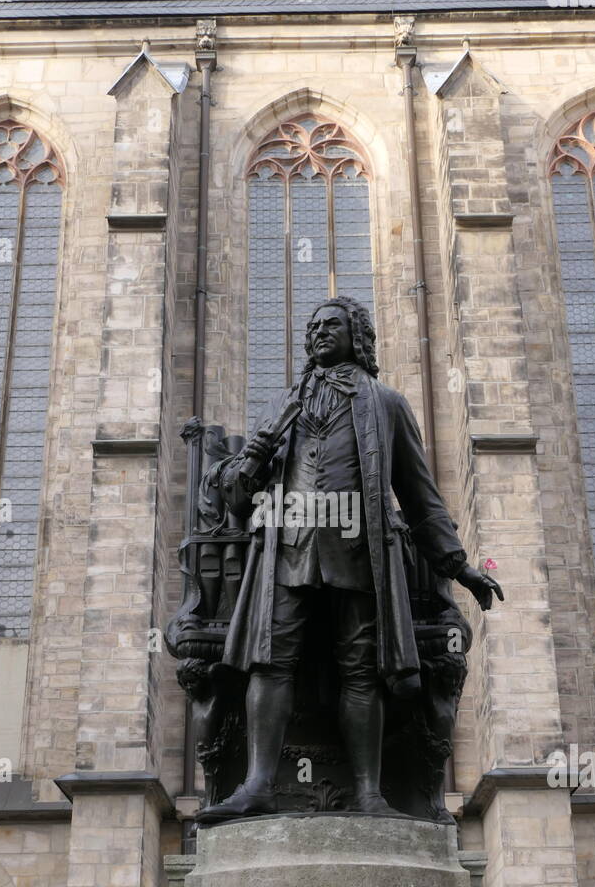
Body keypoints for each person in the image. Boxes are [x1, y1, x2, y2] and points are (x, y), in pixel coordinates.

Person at [196, 296, 502, 821]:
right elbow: (235, 499)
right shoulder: (281, 406)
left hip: (360, 558)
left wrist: (458, 565)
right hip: (287, 555)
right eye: (312, 327)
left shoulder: (386, 404)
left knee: (362, 671)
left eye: (330, 325)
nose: (317, 333)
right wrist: (256, 451)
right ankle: (258, 785)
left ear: (357, 336)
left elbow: (421, 494)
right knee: (270, 662)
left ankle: (368, 793)